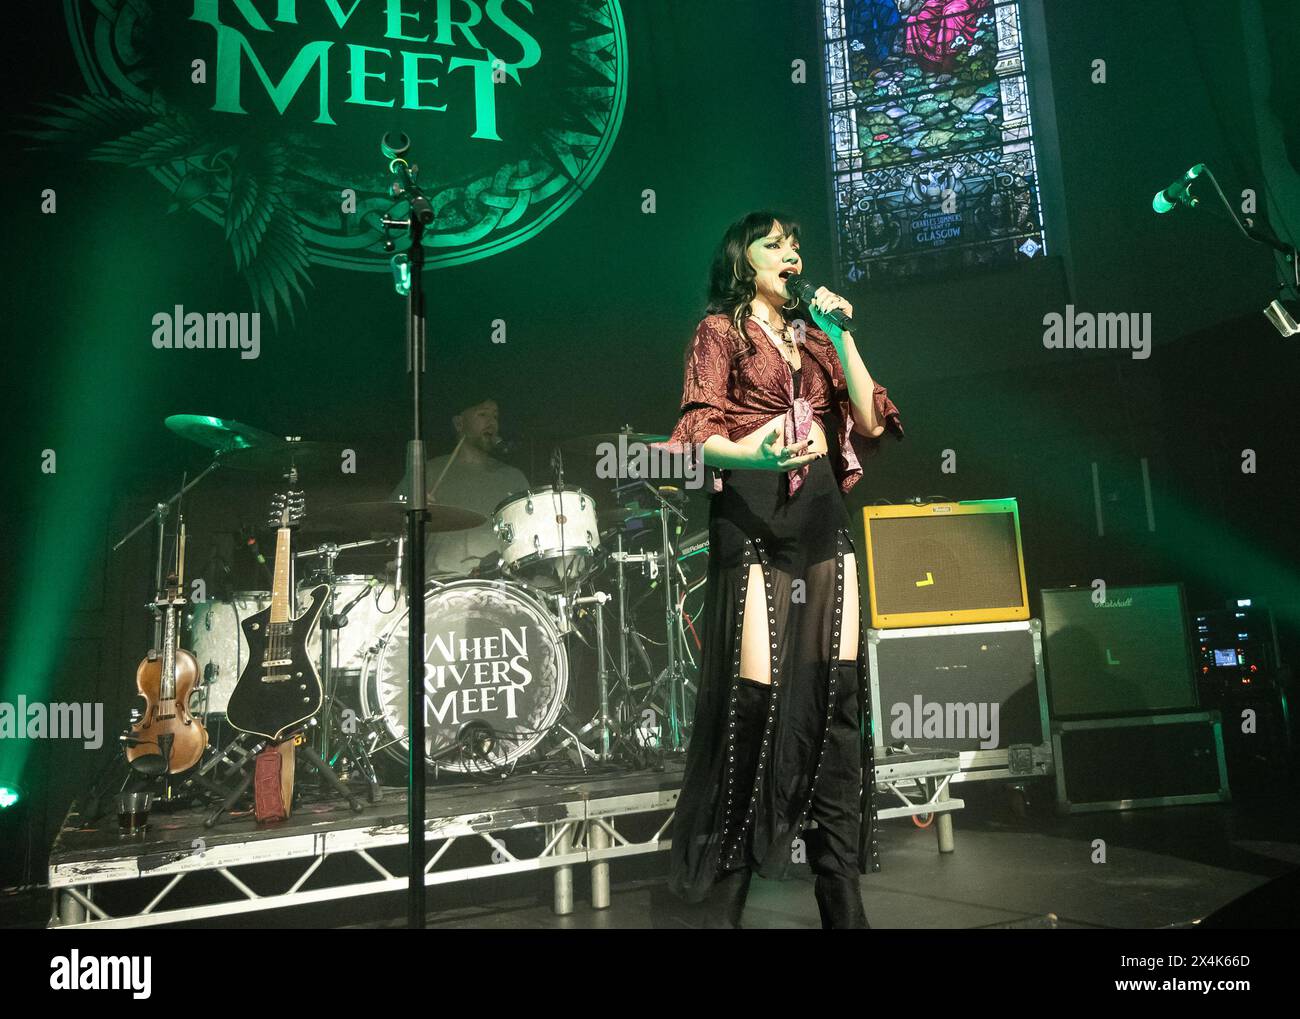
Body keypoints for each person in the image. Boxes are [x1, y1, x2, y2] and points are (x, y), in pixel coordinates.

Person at [662, 210, 903, 928]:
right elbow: (697, 434)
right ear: (743, 260)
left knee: (836, 706)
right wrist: (756, 454)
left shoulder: (816, 336)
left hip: (825, 530)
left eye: (796, 244)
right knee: (758, 711)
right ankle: (725, 898)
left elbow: (867, 420)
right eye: (775, 244)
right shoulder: (719, 332)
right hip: (757, 527)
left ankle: (841, 895)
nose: (791, 253)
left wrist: (841, 331)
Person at [391, 395, 529, 577]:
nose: (491, 422)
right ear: (459, 424)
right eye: (482, 415)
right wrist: (410, 511)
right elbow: (383, 524)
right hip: (440, 586)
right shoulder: (428, 472)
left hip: (502, 587)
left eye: (495, 416)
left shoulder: (514, 477)